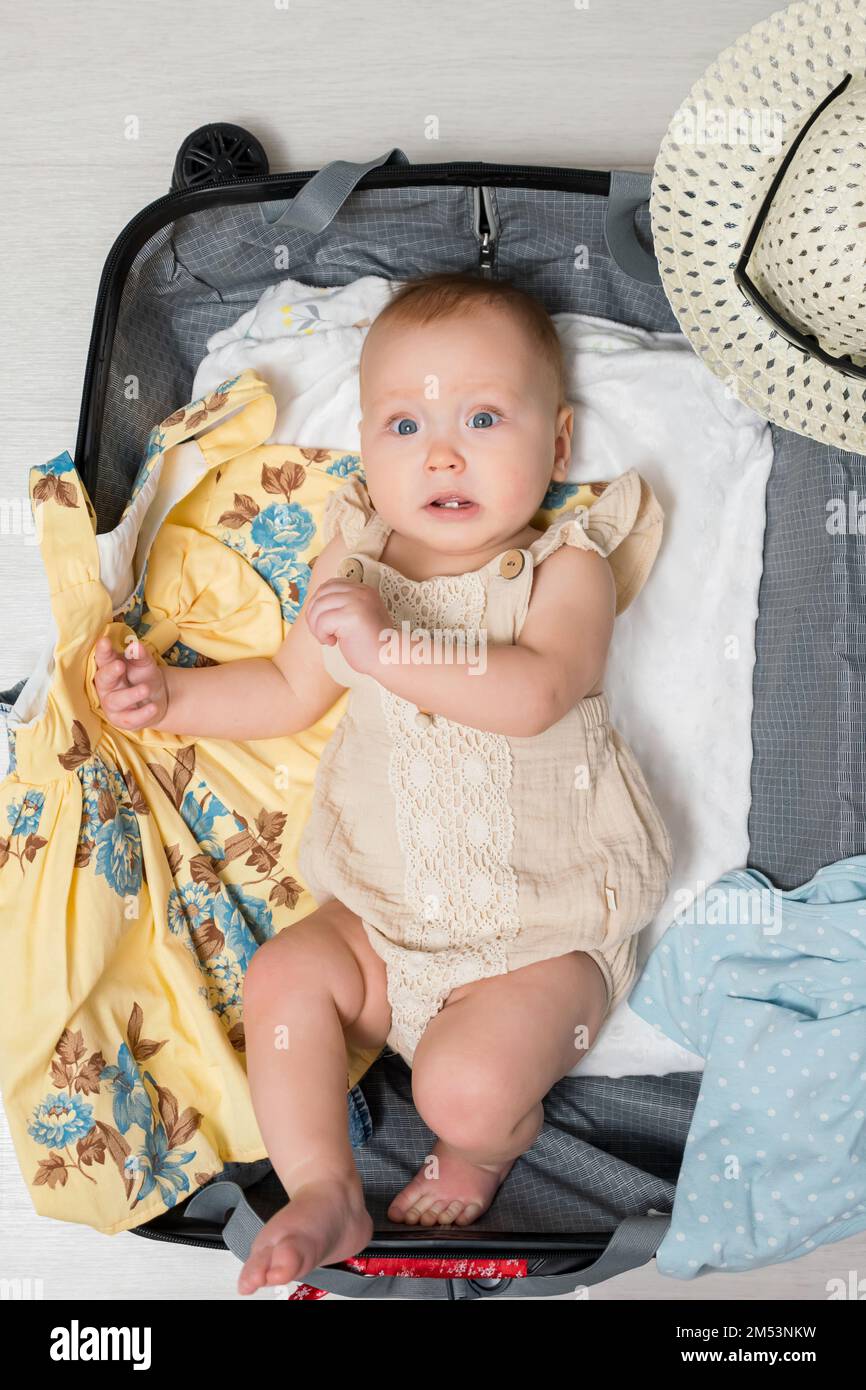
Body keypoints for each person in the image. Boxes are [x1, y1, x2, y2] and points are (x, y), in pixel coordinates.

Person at [92, 270, 673, 1294]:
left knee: (466, 1086)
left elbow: (536, 690)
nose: (441, 451)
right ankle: (322, 1182)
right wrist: (169, 701)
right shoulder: (351, 571)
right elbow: (281, 688)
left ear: (556, 445)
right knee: (283, 979)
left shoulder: (565, 565)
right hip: (379, 923)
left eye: (481, 417)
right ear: (366, 451)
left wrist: (389, 647)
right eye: (403, 425)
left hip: (539, 937)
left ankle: (483, 1149)